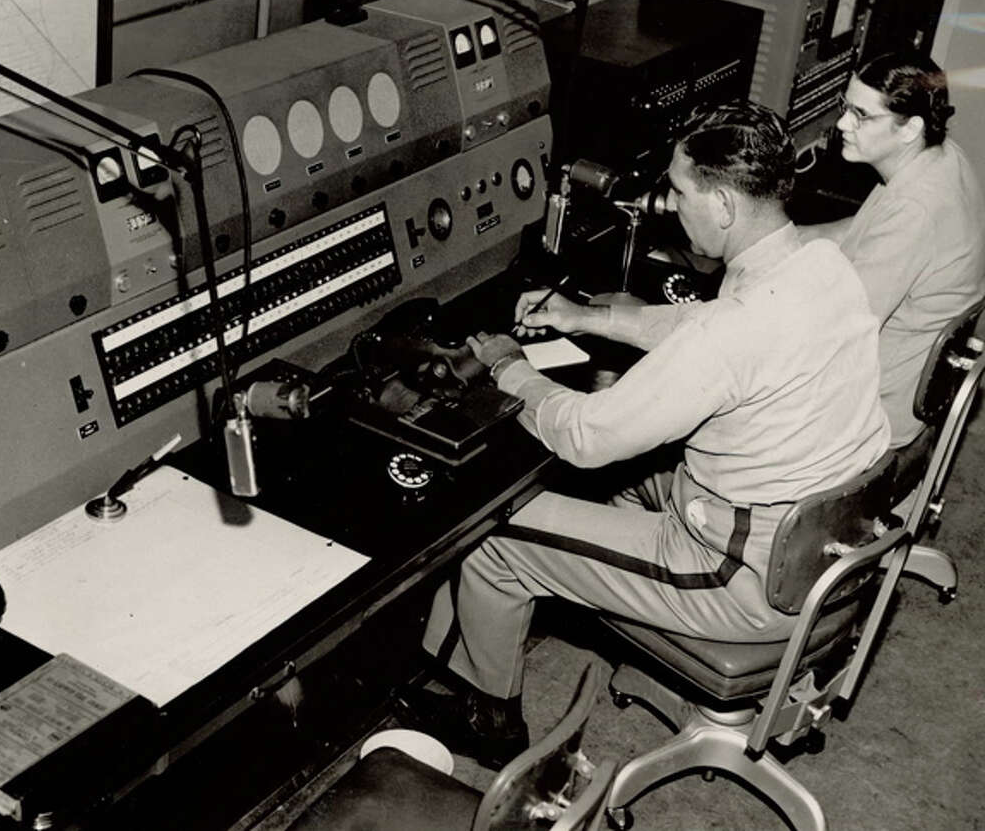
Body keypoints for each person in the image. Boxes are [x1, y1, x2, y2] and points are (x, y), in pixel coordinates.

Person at [401, 102, 890, 769]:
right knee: (626, 480)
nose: (669, 205)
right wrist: (592, 316)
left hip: (739, 576)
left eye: (680, 191)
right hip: (818, 554)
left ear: (721, 203)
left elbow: (583, 435)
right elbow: (713, 331)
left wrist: (509, 369)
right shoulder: (820, 266)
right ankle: (541, 610)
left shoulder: (736, 329)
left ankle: (486, 714)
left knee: (490, 529)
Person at [800, 51, 985, 449]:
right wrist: (792, 238)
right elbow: (865, 232)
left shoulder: (916, 210)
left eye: (861, 115)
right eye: (844, 106)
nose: (842, 124)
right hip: (900, 384)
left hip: (869, 414)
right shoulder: (939, 157)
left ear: (909, 127)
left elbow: (836, 328)